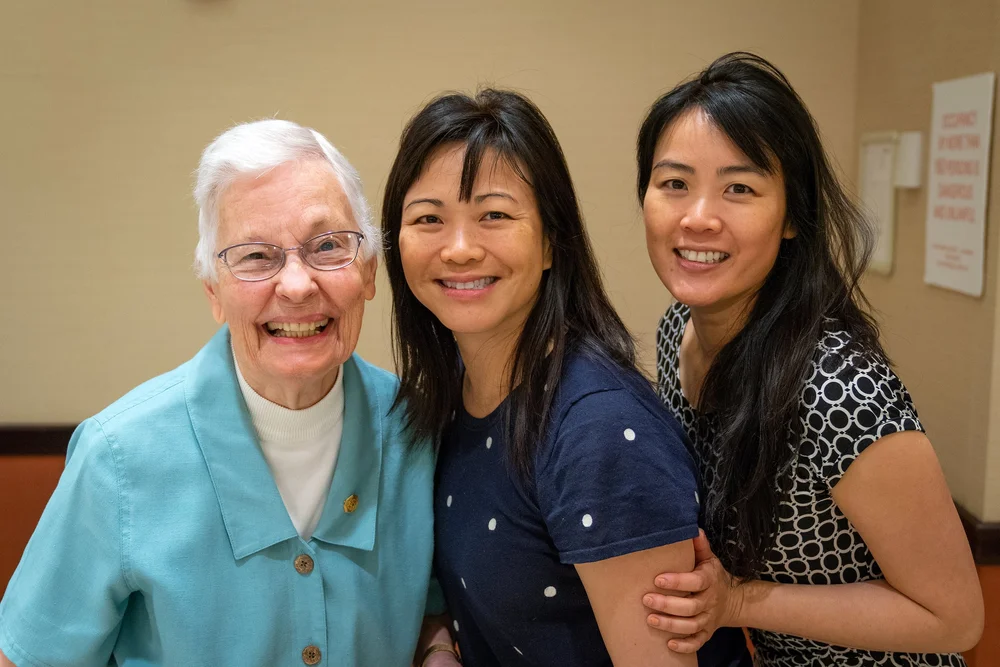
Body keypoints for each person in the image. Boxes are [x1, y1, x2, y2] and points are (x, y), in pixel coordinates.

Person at [0, 119, 445, 666]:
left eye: (328, 246)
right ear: (215, 293)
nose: (299, 285)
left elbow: (435, 609)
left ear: (370, 271)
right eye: (256, 256)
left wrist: (438, 647)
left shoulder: (418, 430)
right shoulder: (117, 457)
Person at [381, 88, 752, 667]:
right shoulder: (452, 385)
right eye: (429, 219)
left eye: (494, 216)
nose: (457, 249)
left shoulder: (598, 429)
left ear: (553, 241)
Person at [636, 52, 984, 665]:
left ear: (793, 214)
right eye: (674, 183)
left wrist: (737, 602)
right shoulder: (676, 333)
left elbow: (954, 619)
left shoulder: (837, 389)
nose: (697, 217)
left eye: (739, 188)